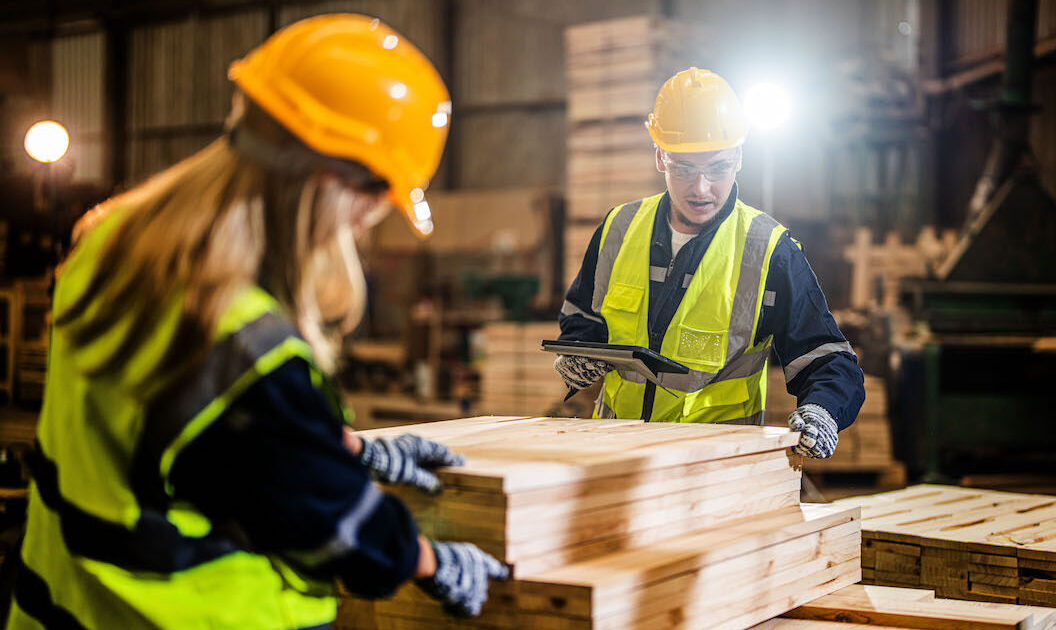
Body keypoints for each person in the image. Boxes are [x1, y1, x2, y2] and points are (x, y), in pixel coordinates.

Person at [9, 15, 506, 630]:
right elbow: (333, 528)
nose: (363, 225)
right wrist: (427, 561)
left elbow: (186, 432)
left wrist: (345, 448)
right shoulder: (241, 347)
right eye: (376, 205)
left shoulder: (109, 241)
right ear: (333, 182)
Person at [555, 67, 865, 458]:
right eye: (684, 168)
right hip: (615, 456)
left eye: (717, 168)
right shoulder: (618, 229)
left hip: (715, 468)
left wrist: (823, 410)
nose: (700, 188)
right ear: (660, 157)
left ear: (738, 158)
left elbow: (827, 359)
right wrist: (579, 351)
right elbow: (582, 319)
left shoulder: (769, 251)